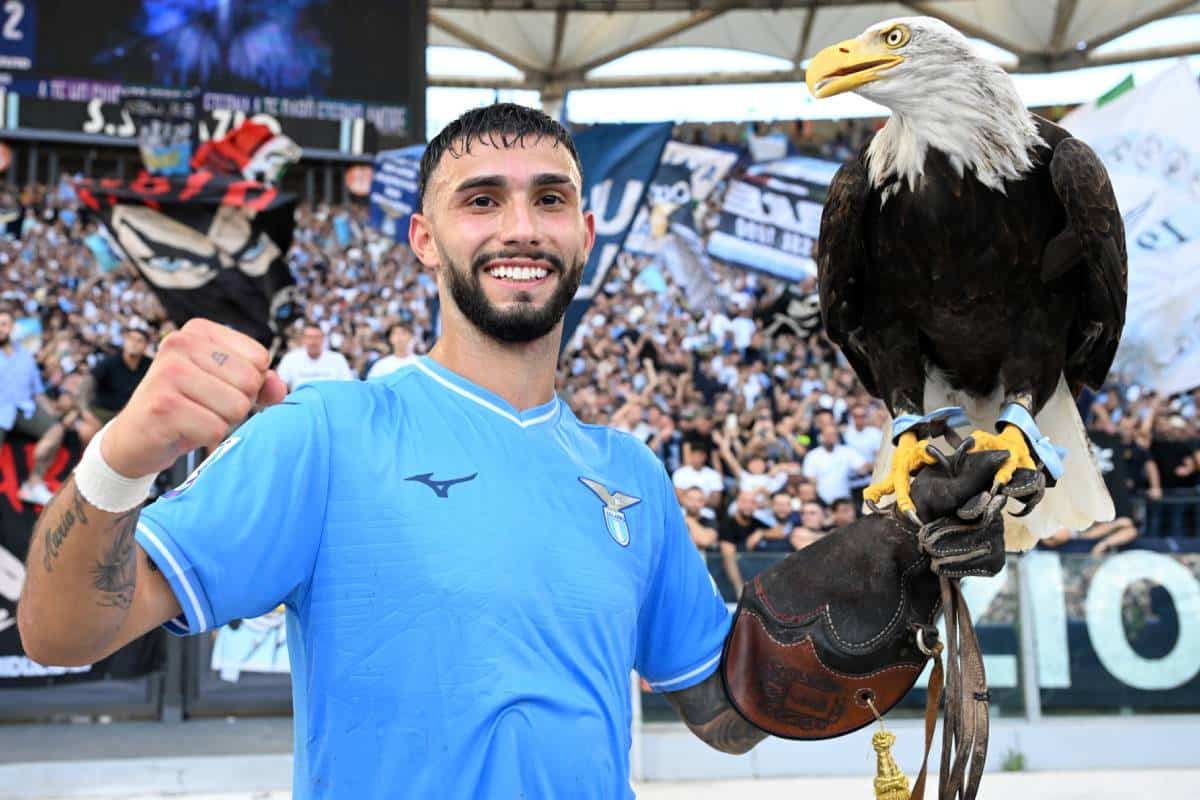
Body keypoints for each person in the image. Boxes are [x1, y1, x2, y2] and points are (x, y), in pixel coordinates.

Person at [17, 105, 764, 799]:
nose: (521, 228)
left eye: (549, 199)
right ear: (424, 242)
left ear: (585, 234)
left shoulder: (629, 470)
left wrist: (854, 630)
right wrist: (121, 461)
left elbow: (724, 717)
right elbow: (60, 632)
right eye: (480, 201)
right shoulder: (328, 432)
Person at [0, 307, 65, 506]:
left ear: (12, 327)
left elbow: (36, 391)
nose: (0, 328)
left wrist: (51, 412)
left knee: (56, 429)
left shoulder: (25, 355)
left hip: (25, 409)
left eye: (4, 324)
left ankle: (33, 483)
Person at [78, 321, 154, 445]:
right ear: (124, 341)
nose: (134, 344)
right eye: (131, 339)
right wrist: (85, 411)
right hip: (103, 412)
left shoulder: (150, 365)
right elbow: (86, 383)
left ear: (146, 346)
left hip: (132, 414)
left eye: (139, 341)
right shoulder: (109, 362)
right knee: (86, 431)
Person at [718, 490, 772, 596]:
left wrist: (761, 533)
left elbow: (779, 531)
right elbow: (729, 558)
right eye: (745, 502)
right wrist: (739, 588)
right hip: (731, 582)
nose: (748, 506)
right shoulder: (727, 524)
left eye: (752, 502)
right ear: (738, 503)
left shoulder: (756, 522)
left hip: (754, 577)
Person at [275, 321, 355, 390]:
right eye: (309, 337)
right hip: (300, 404)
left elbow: (348, 386)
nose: (313, 342)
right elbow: (279, 386)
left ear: (323, 338)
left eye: (317, 337)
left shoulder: (337, 359)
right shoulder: (290, 358)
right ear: (303, 339)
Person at [802, 426, 870, 505]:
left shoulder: (846, 452)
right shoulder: (812, 455)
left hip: (844, 500)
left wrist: (863, 470)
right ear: (821, 437)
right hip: (822, 502)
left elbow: (863, 467)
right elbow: (810, 478)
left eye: (833, 435)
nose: (831, 438)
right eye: (828, 435)